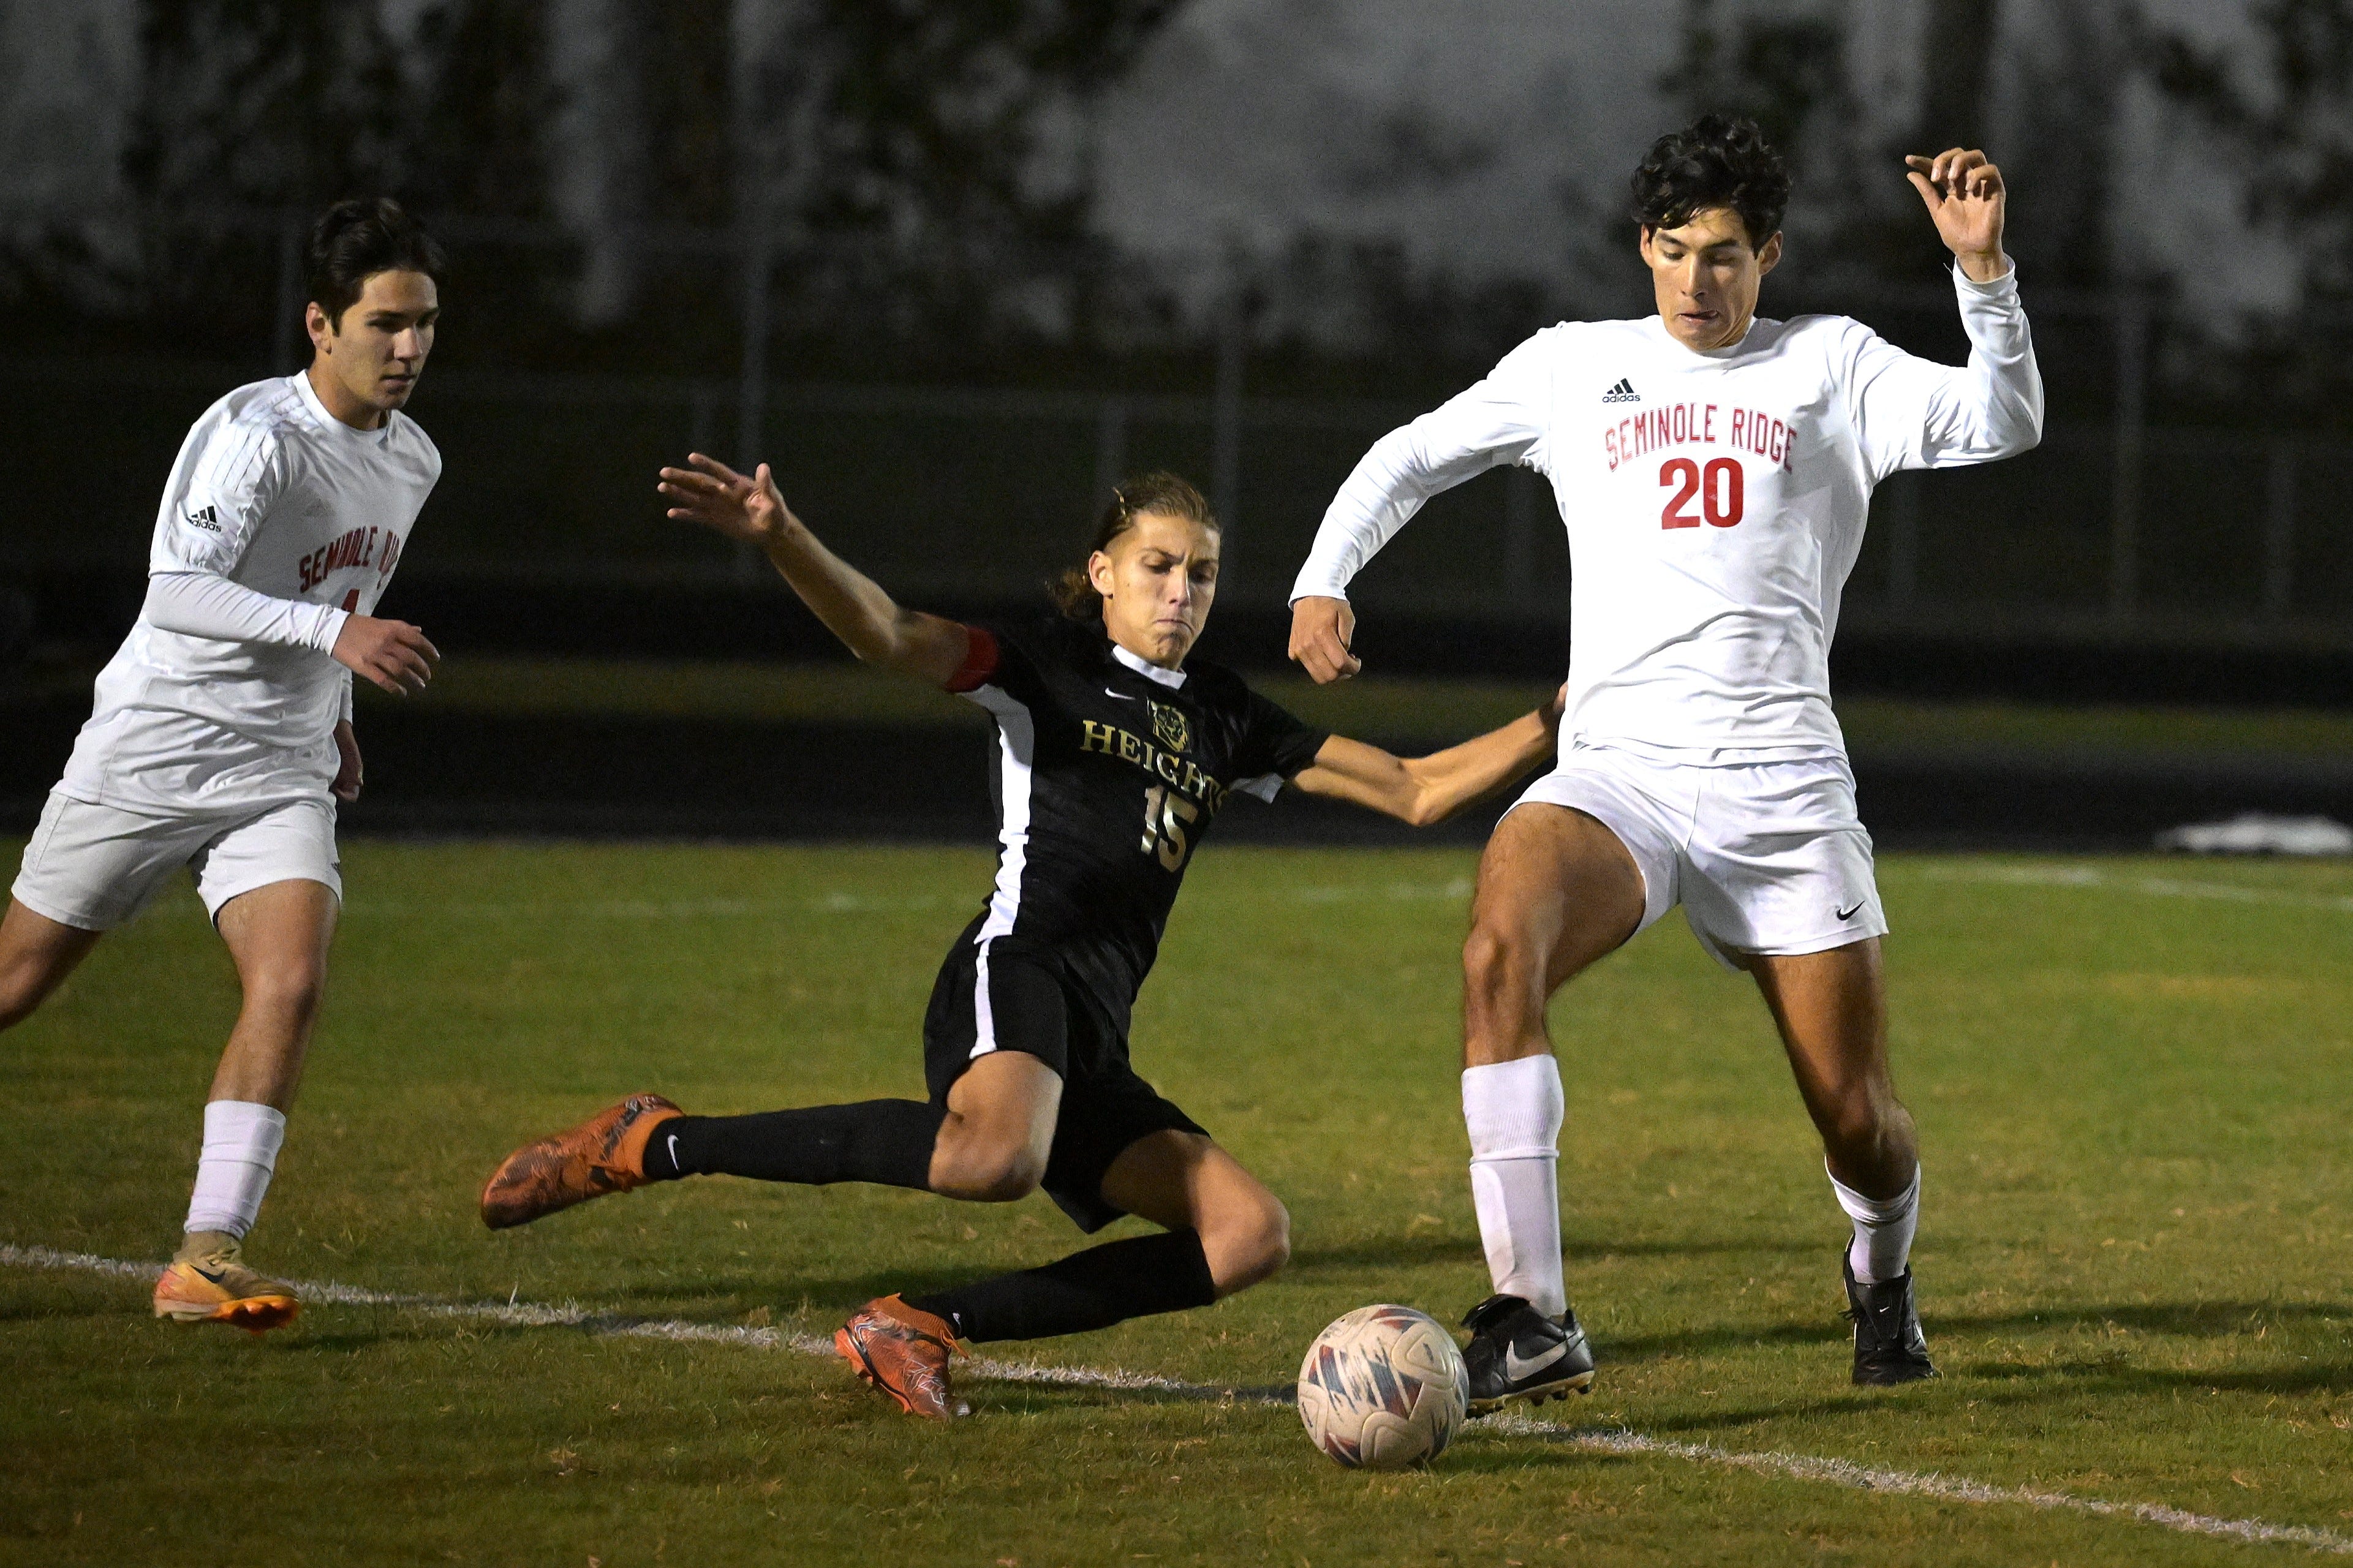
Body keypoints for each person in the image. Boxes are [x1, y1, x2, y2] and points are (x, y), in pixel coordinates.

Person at [481, 463, 1565, 1420]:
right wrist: (782, 539)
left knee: (1248, 1235)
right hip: (1018, 969)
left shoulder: (1226, 716)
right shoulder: (1046, 671)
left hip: (1093, 1030)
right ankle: (655, 1138)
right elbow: (889, 634)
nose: (1179, 592)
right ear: (1102, 572)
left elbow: (1417, 790)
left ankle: (919, 1324)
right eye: (1156, 566)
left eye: (1200, 573)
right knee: (994, 1159)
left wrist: (1557, 720)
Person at [1286, 117, 2043, 1401]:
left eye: (1730, 256)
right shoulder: (1572, 367)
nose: (1703, 281)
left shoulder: (1830, 363)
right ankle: (1531, 1314)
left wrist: (1985, 277)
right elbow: (1412, 454)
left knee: (1856, 1116)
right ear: (1644, 246)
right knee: (1495, 946)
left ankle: (1880, 1270)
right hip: (1618, 775)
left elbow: (2000, 419)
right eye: (1680, 251)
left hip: (1783, 792)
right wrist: (1321, 578)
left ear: (1772, 255)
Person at [0, 198, 445, 1332]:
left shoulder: (414, 459)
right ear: (319, 324)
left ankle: (206, 1254)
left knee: (289, 983)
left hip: (280, 763)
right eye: (385, 323)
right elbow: (177, 592)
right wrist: (334, 641)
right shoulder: (255, 434)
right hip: (158, 743)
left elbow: (339, 593)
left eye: (425, 325)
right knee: (17, 985)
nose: (408, 348)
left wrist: (334, 704)